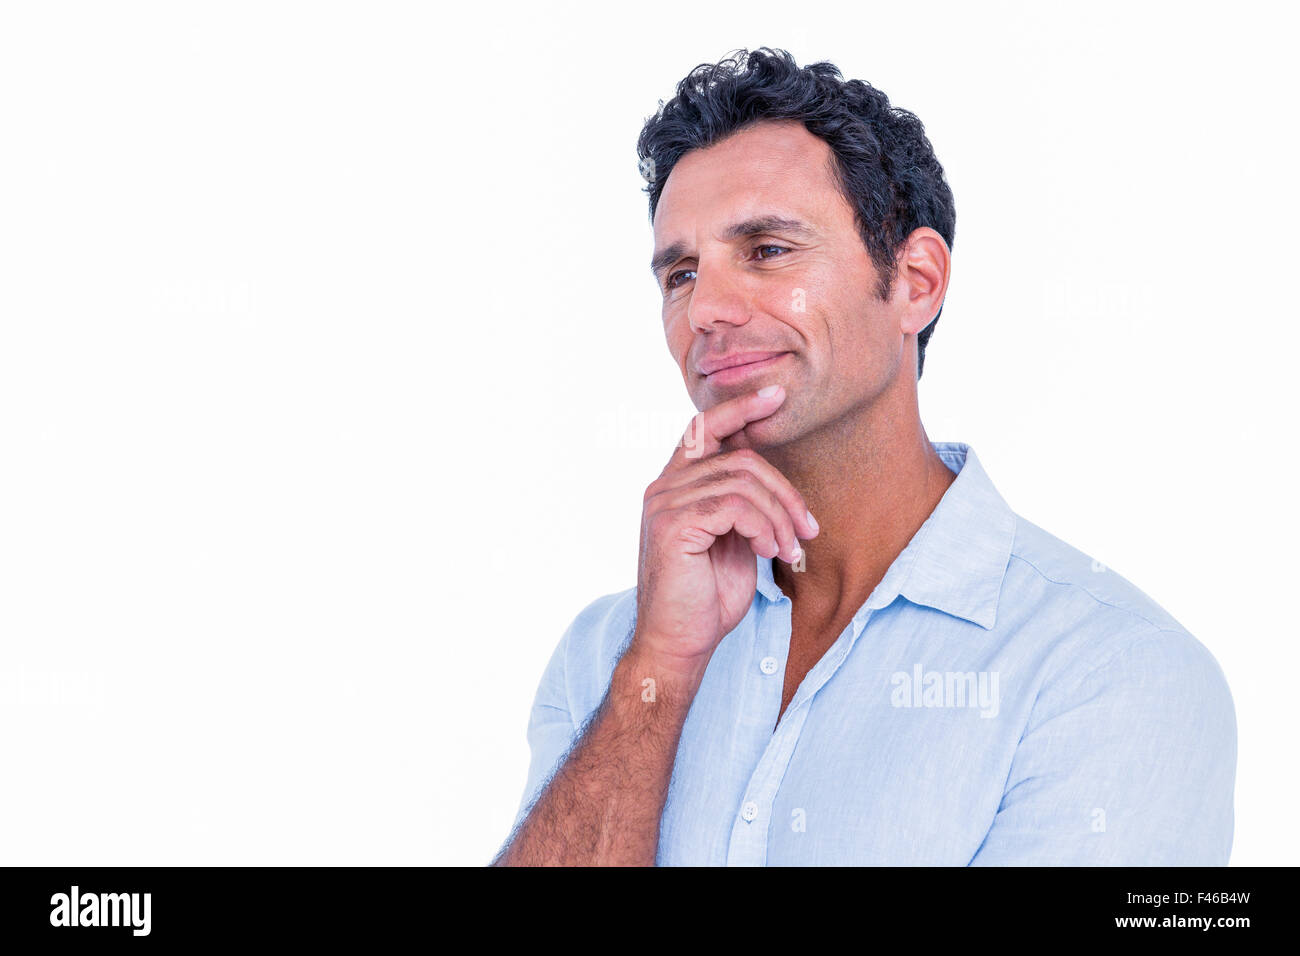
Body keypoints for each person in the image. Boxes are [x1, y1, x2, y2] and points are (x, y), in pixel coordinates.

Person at [492, 47, 1235, 866]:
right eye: (680, 274)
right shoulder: (610, 656)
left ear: (915, 281)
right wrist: (661, 671)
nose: (705, 309)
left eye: (768, 250)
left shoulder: (1113, 673)